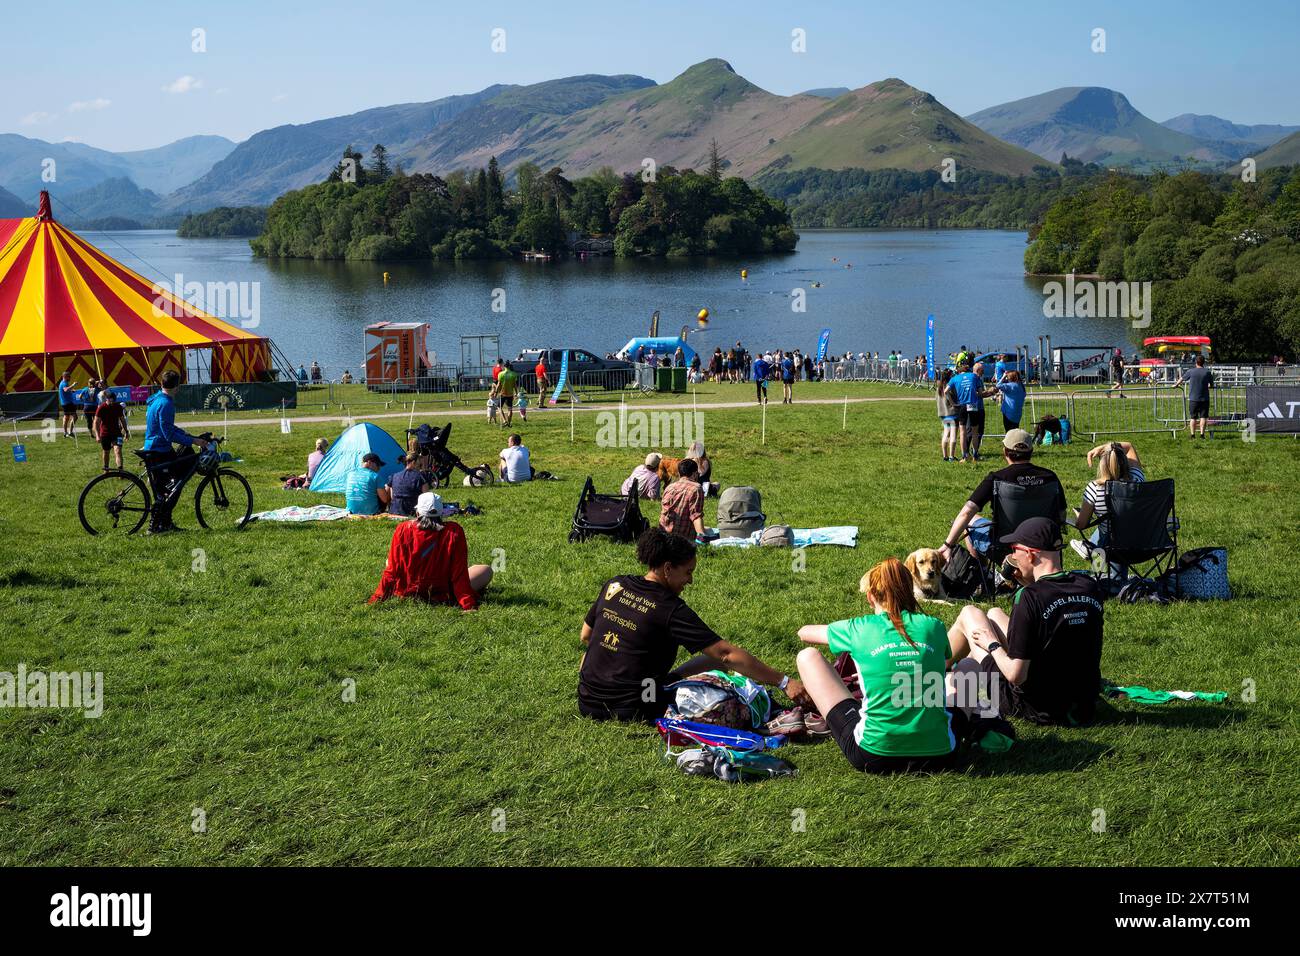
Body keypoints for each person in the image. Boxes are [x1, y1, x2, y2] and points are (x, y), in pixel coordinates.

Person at [578, 528, 807, 722]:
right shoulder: (670, 609)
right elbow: (726, 653)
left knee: (710, 661)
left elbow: (586, 635)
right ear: (667, 569)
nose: (691, 580)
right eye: (688, 572)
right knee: (723, 683)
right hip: (636, 707)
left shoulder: (616, 585)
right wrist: (783, 681)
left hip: (587, 701)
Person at [795, 558, 960, 774]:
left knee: (807, 657)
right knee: (967, 667)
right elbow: (947, 658)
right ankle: (978, 725)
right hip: (941, 755)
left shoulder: (858, 628)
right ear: (909, 591)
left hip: (874, 755)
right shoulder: (934, 626)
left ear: (870, 596)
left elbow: (804, 632)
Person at [946, 517, 1105, 726]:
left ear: (1030, 554)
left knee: (969, 614)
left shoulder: (1030, 597)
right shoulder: (1089, 586)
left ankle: (930, 670)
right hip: (1082, 704)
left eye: (1013, 549)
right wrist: (1028, 581)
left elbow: (1016, 676)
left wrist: (991, 644)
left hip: (1036, 705)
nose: (1011, 556)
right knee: (993, 613)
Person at [938, 429, 1065, 563]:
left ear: (1005, 452)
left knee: (970, 519)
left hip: (1003, 548)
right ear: (1031, 452)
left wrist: (948, 545)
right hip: (1045, 549)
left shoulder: (996, 478)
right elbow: (1061, 515)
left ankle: (985, 577)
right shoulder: (1051, 477)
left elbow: (967, 512)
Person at [369, 491, 492, 610]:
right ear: (442, 513)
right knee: (486, 570)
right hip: (443, 592)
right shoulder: (454, 531)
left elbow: (392, 571)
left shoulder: (403, 529)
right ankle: (458, 594)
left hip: (408, 590)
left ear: (417, 513)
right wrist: (468, 603)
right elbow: (459, 573)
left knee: (389, 561)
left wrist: (376, 598)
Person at [141, 370, 210, 534]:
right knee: (171, 487)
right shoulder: (166, 404)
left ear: (161, 384)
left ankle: (165, 522)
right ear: (177, 387)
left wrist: (187, 435)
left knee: (174, 484)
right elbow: (168, 434)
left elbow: (168, 428)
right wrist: (194, 441)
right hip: (159, 450)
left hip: (157, 447)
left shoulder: (157, 399)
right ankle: (156, 525)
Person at [1071, 440, 1145, 573]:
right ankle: (1104, 574)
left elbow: (1081, 524)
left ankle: (1093, 558)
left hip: (1111, 546)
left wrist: (1079, 515)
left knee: (1105, 528)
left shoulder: (1095, 488)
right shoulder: (1137, 480)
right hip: (1142, 543)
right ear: (1124, 462)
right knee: (1110, 525)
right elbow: (1129, 446)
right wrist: (1105, 447)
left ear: (1102, 465)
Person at [946, 362, 995, 462]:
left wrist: (953, 403)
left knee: (963, 432)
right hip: (973, 404)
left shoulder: (954, 378)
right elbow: (981, 393)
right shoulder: (974, 376)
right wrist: (989, 392)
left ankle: (965, 456)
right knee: (975, 432)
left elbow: (945, 391)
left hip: (961, 406)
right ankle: (975, 455)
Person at [659, 457, 704, 540]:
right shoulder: (696, 488)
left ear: (679, 474)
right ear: (694, 474)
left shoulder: (669, 487)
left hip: (663, 535)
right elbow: (696, 516)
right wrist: (703, 538)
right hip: (682, 539)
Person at [1174, 355, 1214, 438]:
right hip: (1204, 399)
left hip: (1193, 398)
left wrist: (1176, 385)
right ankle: (1202, 435)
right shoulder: (1207, 372)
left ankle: (1192, 435)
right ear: (1204, 363)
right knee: (1203, 417)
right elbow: (1211, 385)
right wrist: (1209, 386)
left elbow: (1181, 379)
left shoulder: (1191, 371)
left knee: (1193, 418)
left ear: (1196, 362)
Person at [93, 388, 129, 471]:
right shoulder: (101, 408)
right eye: (110, 401)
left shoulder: (118, 407)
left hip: (116, 433)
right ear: (106, 399)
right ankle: (106, 469)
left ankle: (120, 471)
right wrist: (97, 436)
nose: (112, 403)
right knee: (106, 452)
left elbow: (122, 419)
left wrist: (126, 431)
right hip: (105, 434)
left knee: (118, 451)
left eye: (113, 401)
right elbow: (96, 422)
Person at [936, 368, 959, 461]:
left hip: (943, 414)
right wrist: (954, 404)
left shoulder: (939, 387)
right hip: (952, 413)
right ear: (950, 376)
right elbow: (950, 396)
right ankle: (951, 456)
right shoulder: (949, 386)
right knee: (953, 435)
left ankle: (945, 456)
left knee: (946, 433)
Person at [495, 362, 520, 427]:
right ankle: (508, 422)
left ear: (504, 366)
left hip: (502, 393)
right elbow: (515, 385)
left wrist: (496, 392)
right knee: (510, 409)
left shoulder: (500, 374)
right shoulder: (514, 374)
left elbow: (498, 384)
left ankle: (504, 421)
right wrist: (517, 393)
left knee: (499, 407)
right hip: (510, 394)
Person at [58, 371, 79, 438]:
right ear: (65, 377)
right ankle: (68, 432)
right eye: (69, 376)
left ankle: (67, 432)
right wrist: (73, 385)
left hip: (67, 403)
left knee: (67, 417)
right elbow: (65, 390)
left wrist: (71, 390)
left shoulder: (64, 382)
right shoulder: (64, 383)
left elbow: (66, 390)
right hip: (67, 403)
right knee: (72, 417)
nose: (70, 378)